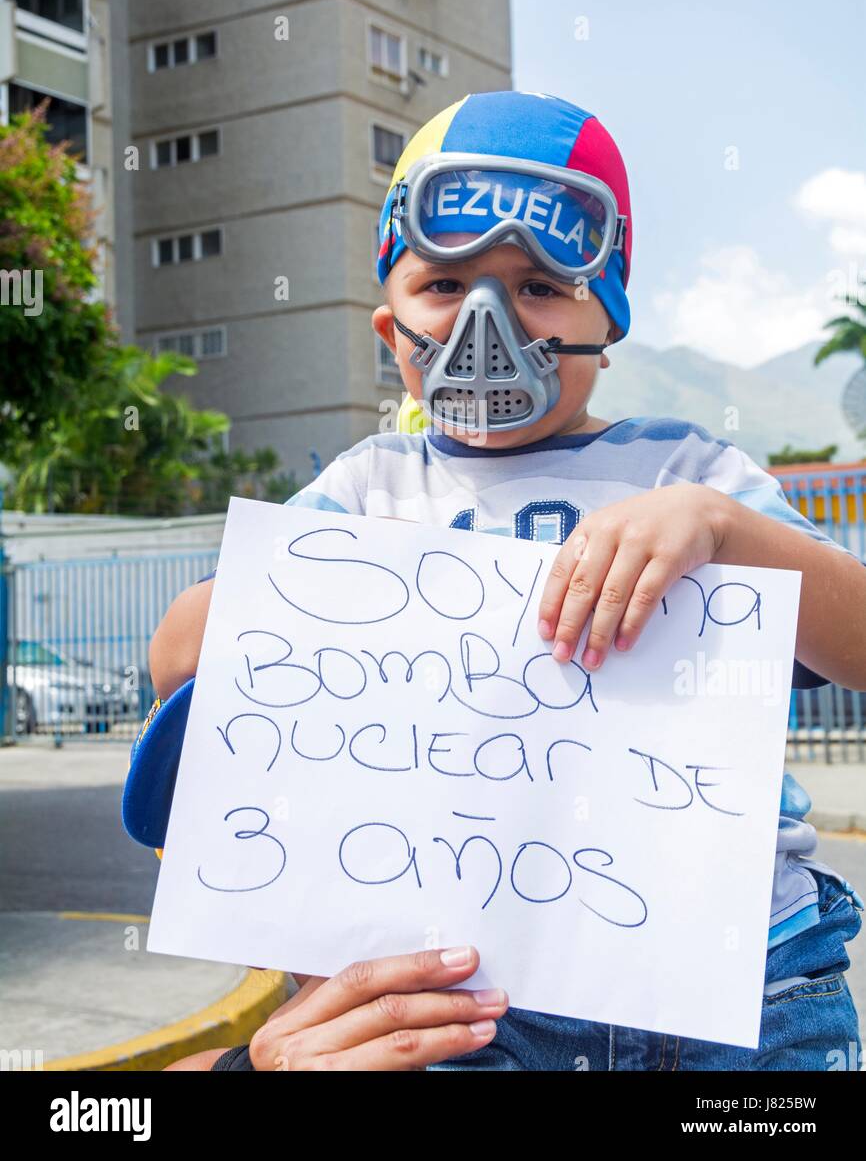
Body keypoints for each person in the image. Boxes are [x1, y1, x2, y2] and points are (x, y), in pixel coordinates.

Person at [128, 90, 865, 1071]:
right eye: (445, 286)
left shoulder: (688, 476)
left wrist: (722, 529)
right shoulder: (363, 491)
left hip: (745, 981)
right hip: (468, 998)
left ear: (606, 323)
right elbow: (175, 657)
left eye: (535, 287)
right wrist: (308, 593)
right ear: (391, 332)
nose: (488, 323)